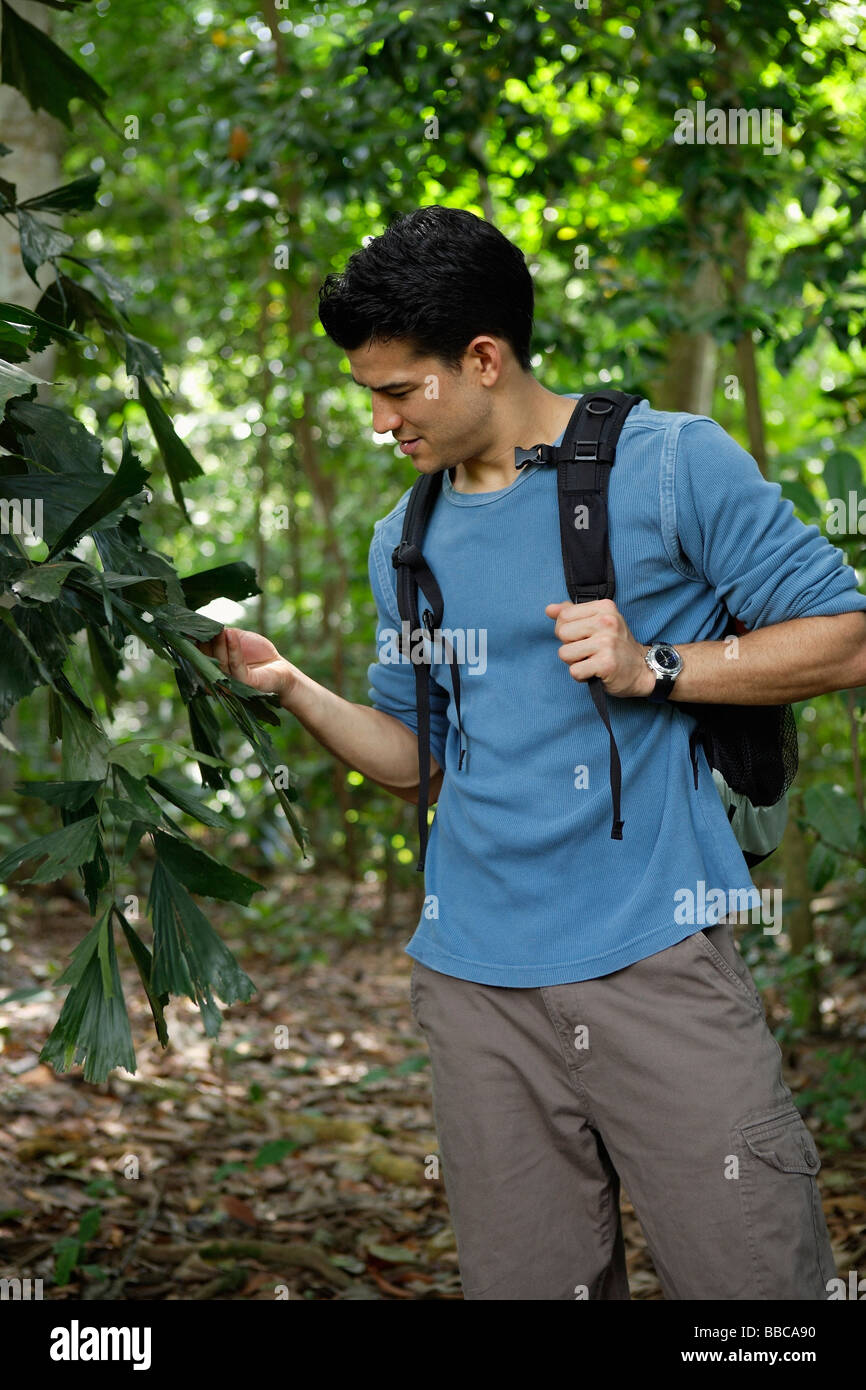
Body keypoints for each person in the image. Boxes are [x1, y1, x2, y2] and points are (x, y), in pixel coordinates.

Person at [201, 205, 866, 1300]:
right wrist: (289, 687)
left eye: (397, 391)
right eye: (366, 394)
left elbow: (842, 635)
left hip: (653, 956)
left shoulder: (667, 466)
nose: (380, 422)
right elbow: (416, 757)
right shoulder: (401, 542)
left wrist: (657, 662)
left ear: (482, 357)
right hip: (473, 984)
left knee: (758, 1295)